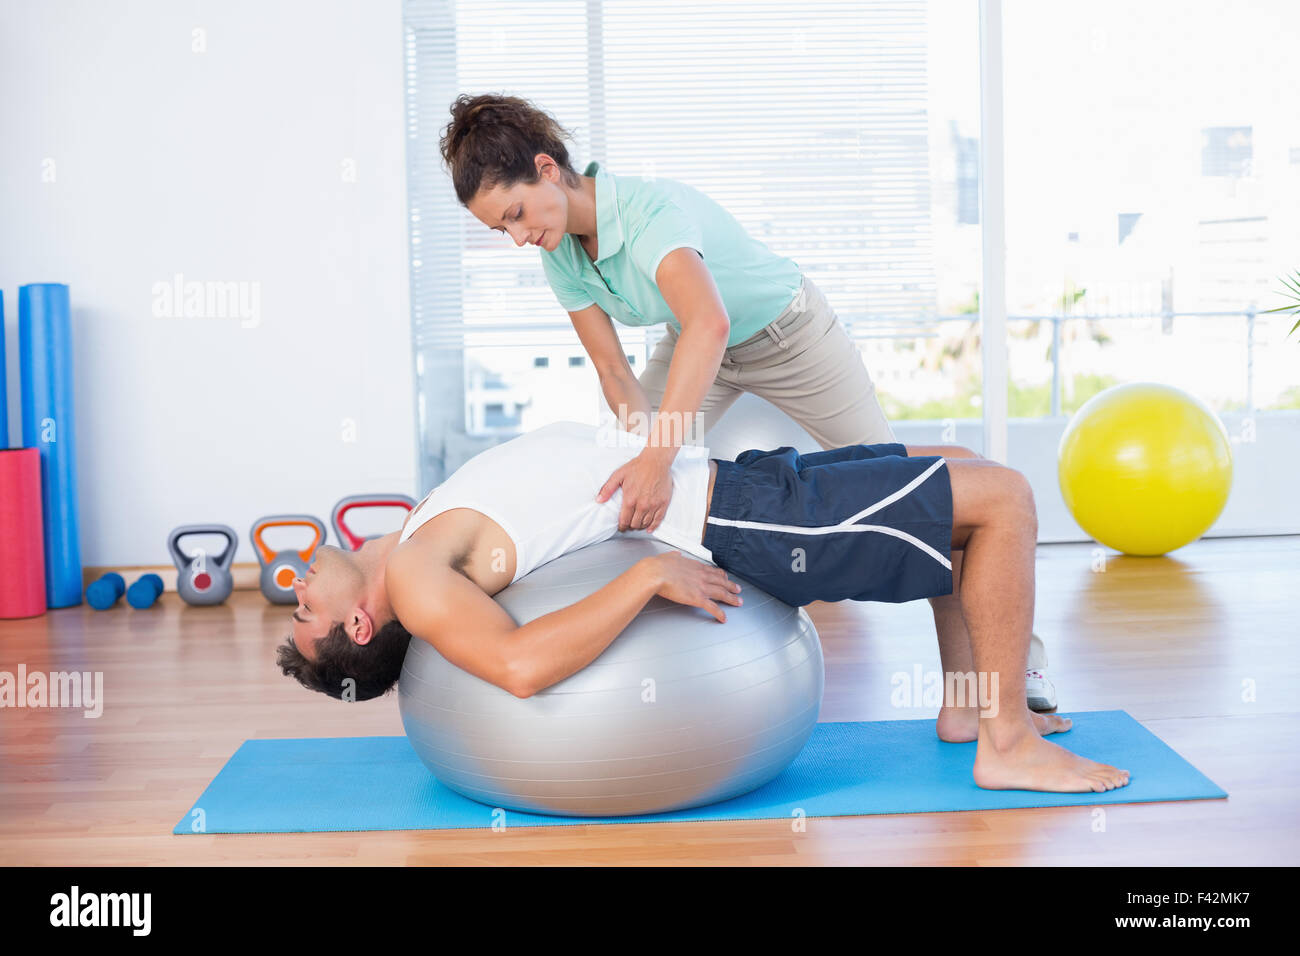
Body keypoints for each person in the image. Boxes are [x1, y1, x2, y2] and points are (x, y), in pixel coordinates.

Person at [438, 92, 1058, 712]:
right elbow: (612, 370)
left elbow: (710, 321)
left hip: (789, 336)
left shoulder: (651, 211)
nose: (519, 237)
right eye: (503, 229)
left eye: (517, 213)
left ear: (548, 170)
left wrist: (658, 459)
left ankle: (1013, 670)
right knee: (614, 469)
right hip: (698, 350)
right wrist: (641, 461)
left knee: (906, 488)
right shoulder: (561, 253)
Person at [277, 420, 1128, 794]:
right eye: (301, 615)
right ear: (359, 626)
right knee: (1005, 500)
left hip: (735, 481)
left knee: (960, 464)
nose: (293, 591)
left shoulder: (415, 534)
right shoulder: (421, 580)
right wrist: (642, 580)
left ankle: (967, 705)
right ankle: (1006, 740)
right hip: (736, 520)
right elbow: (519, 664)